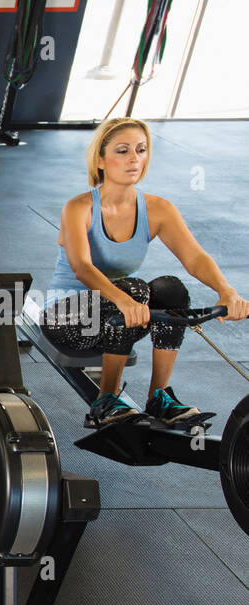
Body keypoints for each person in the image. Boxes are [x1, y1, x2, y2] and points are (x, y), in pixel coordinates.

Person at [41, 116, 249, 427]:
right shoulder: (79, 208)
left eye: (141, 150)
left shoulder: (157, 209)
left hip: (120, 320)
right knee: (134, 289)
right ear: (101, 159)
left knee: (170, 288)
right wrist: (125, 300)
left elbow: (195, 258)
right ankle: (105, 401)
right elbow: (81, 267)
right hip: (68, 319)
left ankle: (159, 396)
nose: (134, 159)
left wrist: (226, 290)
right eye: (123, 151)